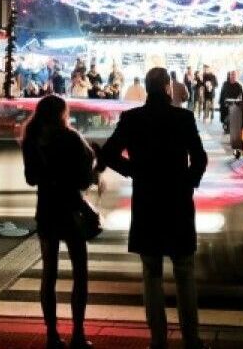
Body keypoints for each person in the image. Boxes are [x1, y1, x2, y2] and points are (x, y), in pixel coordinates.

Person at [101, 68, 209, 349]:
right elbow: (199, 157)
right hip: (177, 200)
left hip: (147, 200)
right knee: (184, 272)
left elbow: (110, 153)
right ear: (167, 87)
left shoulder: (132, 119)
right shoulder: (183, 118)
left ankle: (158, 340)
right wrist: (189, 182)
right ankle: (191, 339)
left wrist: (134, 171)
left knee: (151, 274)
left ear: (147, 87)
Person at [21, 95, 98, 349]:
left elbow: (31, 179)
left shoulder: (31, 140)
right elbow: (85, 180)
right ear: (62, 114)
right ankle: (77, 332)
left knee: (49, 275)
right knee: (80, 274)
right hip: (71, 210)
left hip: (46, 209)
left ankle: (52, 335)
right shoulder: (72, 138)